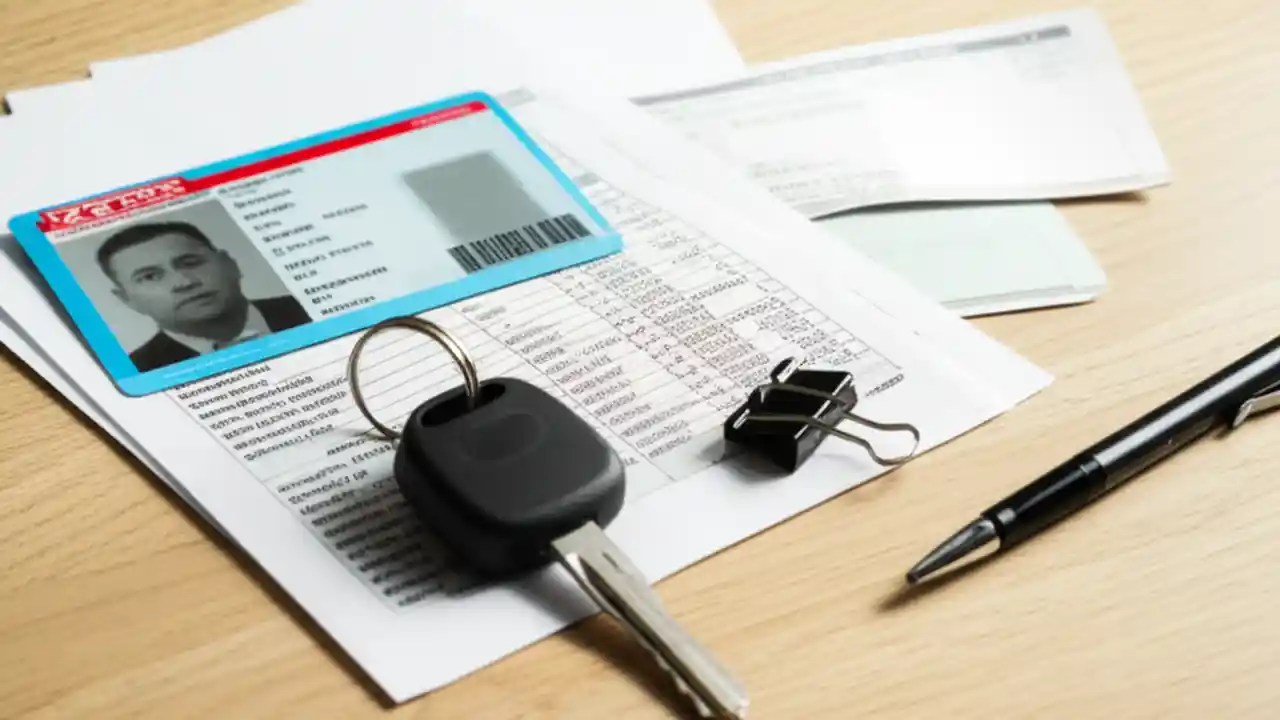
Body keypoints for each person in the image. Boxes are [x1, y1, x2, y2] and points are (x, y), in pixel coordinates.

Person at [97, 221, 309, 372]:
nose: (184, 282)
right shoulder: (138, 370)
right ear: (126, 299)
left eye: (191, 263)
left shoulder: (310, 306)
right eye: (150, 276)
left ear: (230, 264)